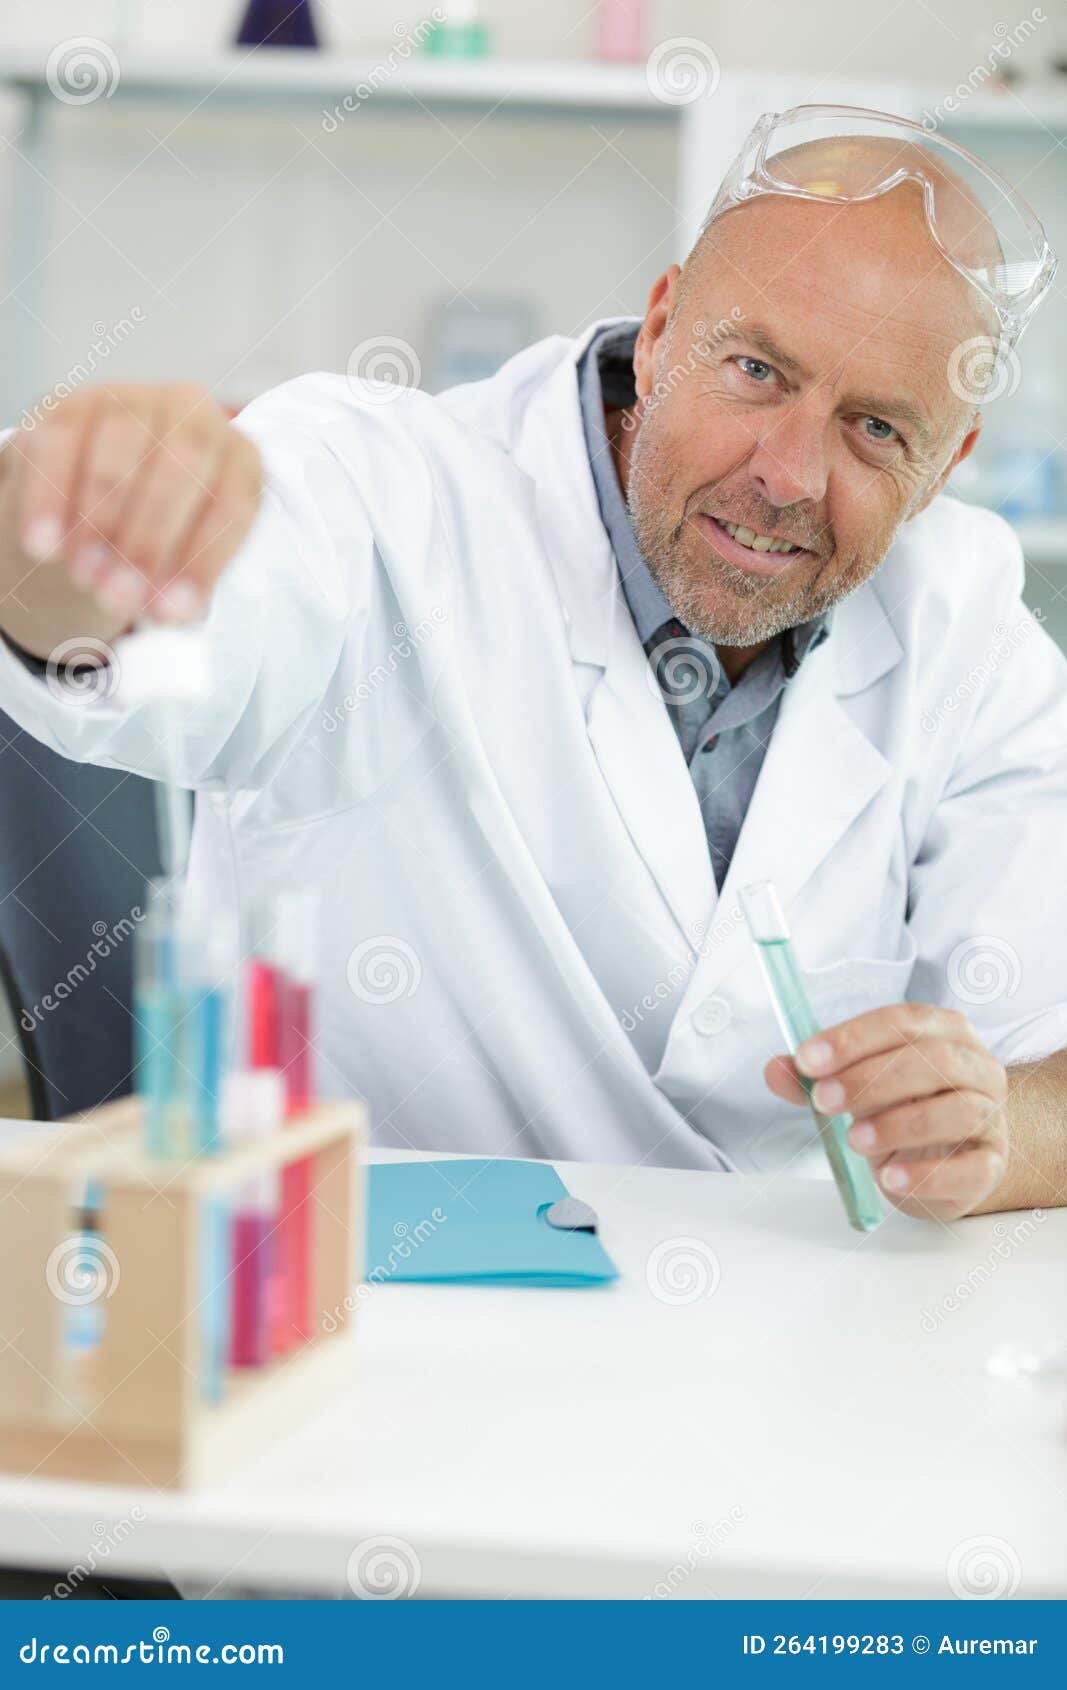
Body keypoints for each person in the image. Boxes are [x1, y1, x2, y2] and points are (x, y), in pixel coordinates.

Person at [0, 105, 1063, 1222]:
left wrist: (1000, 1130)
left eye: (876, 430)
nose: (788, 474)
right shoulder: (379, 488)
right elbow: (131, 636)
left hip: (800, 1310)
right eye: (754, 370)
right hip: (383, 1296)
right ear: (661, 333)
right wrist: (65, 524)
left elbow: (1050, 1061)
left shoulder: (963, 610)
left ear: (946, 464)